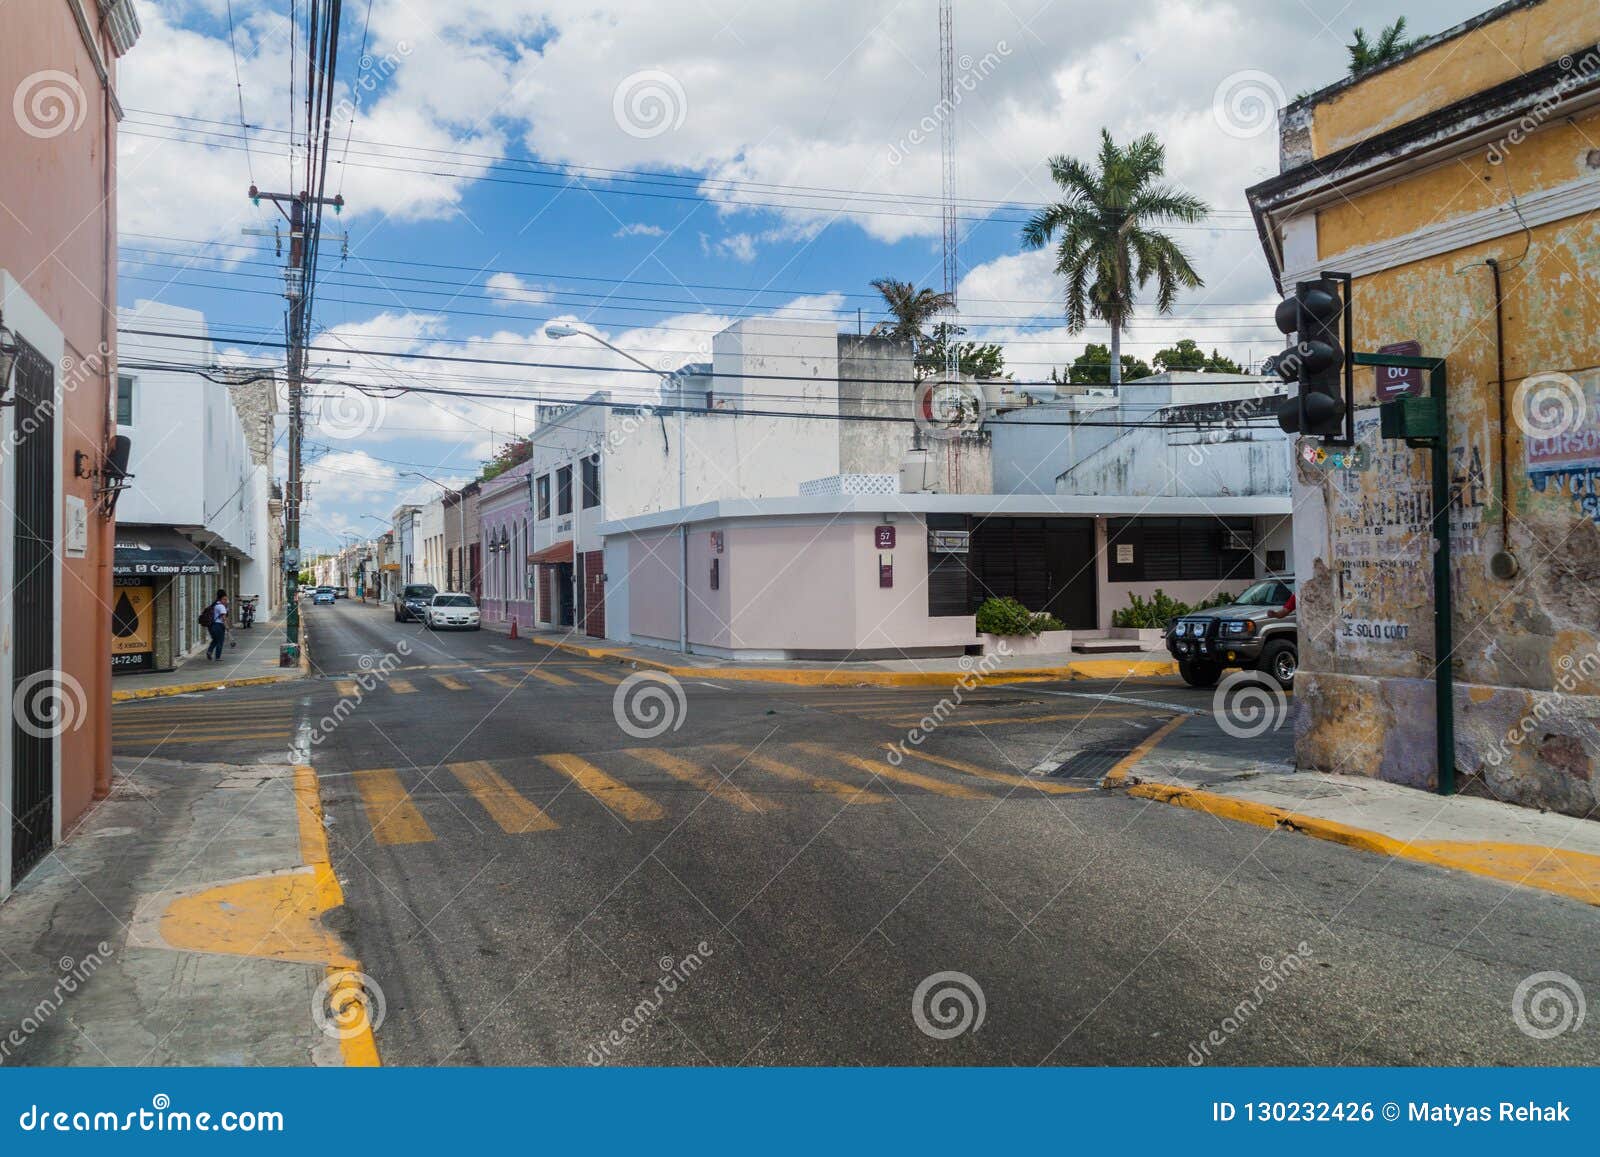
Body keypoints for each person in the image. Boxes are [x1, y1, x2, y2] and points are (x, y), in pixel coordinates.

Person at [205, 590, 229, 660]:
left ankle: (209, 651)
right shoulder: (221, 606)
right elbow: (223, 618)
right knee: (220, 641)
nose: (226, 600)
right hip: (219, 626)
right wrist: (226, 626)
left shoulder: (215, 605)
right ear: (220, 599)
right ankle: (217, 657)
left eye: (226, 599)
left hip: (212, 626)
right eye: (224, 599)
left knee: (215, 639)